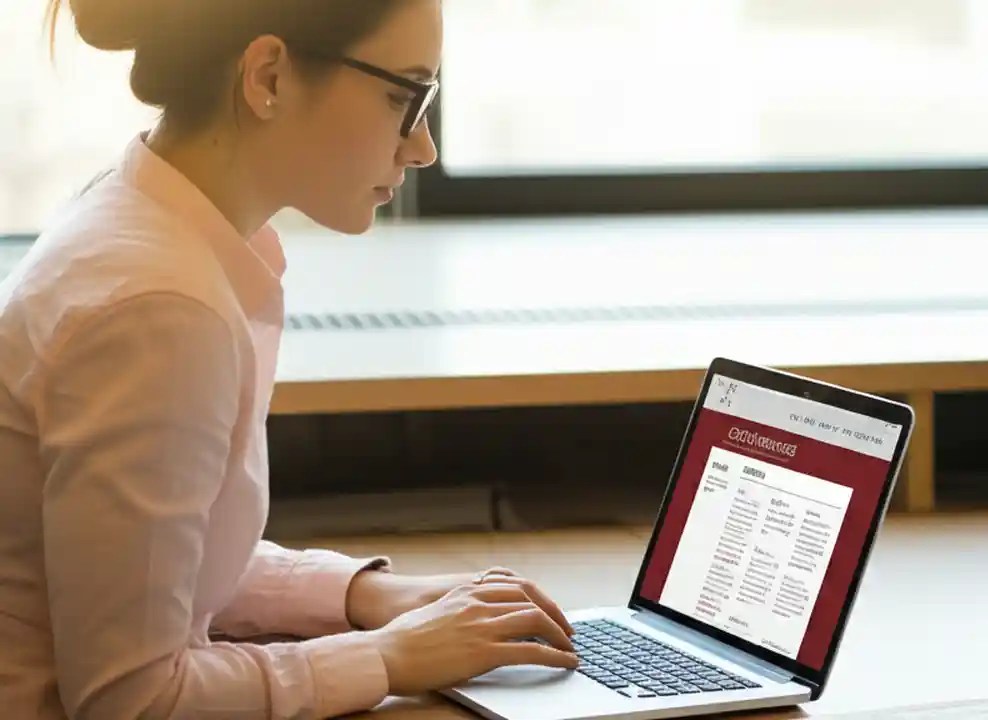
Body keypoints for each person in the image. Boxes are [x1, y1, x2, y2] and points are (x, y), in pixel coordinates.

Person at [0, 1, 581, 718]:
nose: (423, 146)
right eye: (405, 96)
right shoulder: (158, 308)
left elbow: (145, 568)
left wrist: (359, 595)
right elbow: (134, 698)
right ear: (267, 75)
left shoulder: (145, 226)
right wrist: (389, 656)